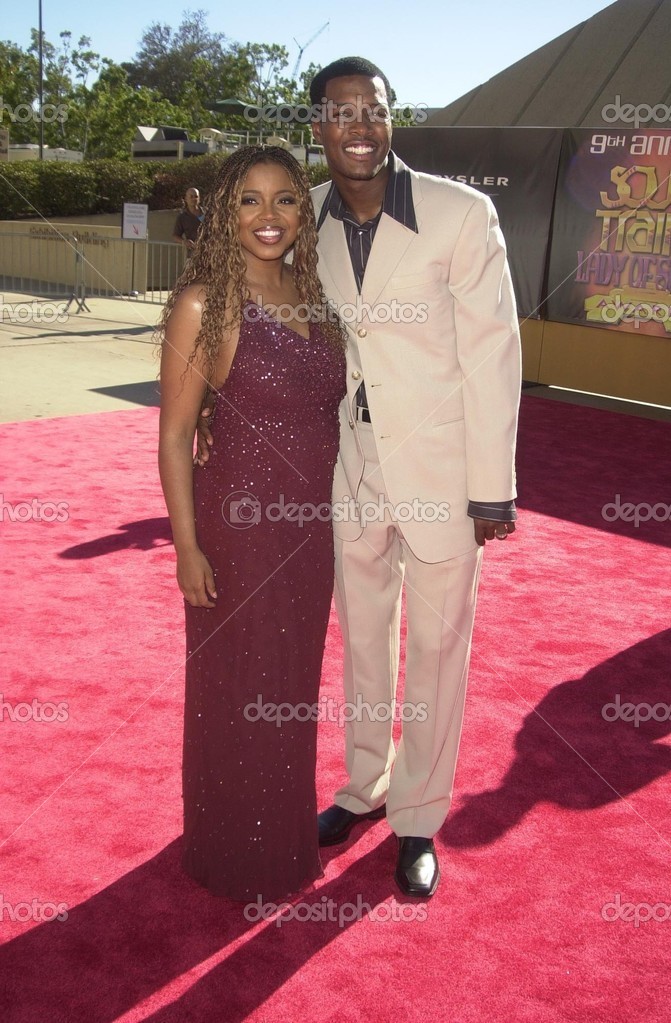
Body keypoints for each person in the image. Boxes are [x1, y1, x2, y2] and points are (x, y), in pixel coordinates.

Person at [198, 57, 522, 899]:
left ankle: (418, 817)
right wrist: (212, 413)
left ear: (390, 118)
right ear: (319, 127)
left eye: (371, 110)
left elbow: (495, 355)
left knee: (438, 650)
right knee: (364, 644)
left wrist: (493, 485)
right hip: (351, 469)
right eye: (339, 114)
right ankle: (363, 785)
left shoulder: (461, 213)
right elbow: (273, 314)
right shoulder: (311, 224)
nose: (358, 127)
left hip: (447, 473)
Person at [158, 146, 346, 902]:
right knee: (239, 687)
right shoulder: (205, 302)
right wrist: (186, 546)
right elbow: (174, 434)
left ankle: (274, 829)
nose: (268, 218)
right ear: (223, 212)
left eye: (285, 201)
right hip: (238, 531)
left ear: (305, 211)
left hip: (310, 534)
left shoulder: (313, 293)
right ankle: (234, 847)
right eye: (248, 201)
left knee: (291, 686)